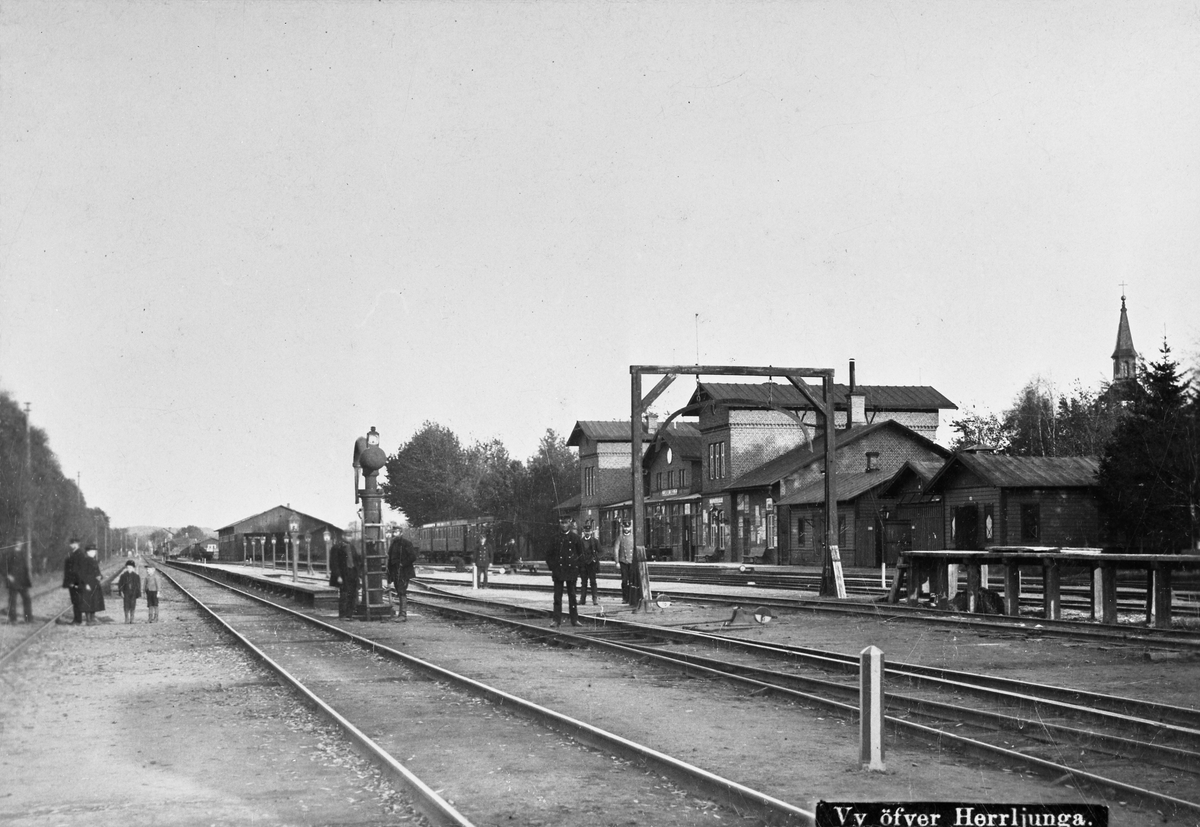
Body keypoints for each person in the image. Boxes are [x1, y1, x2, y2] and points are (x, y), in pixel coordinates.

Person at [546, 514, 583, 627]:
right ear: (559, 523)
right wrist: (554, 567)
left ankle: (574, 619)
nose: (564, 525)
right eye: (562, 522)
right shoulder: (554, 538)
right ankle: (556, 620)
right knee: (557, 597)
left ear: (570, 523)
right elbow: (548, 555)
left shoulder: (576, 538)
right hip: (559, 571)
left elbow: (581, 555)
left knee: (572, 596)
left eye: (566, 522)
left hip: (571, 571)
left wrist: (577, 569)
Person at [386, 535, 418, 621]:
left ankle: (403, 615)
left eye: (397, 532)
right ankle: (401, 614)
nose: (395, 534)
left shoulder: (406, 543)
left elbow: (413, 557)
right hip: (395, 571)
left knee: (402, 591)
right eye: (394, 532)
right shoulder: (393, 544)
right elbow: (390, 559)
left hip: (404, 571)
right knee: (399, 591)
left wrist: (403, 564)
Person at [3, 539, 34, 623]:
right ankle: (13, 619)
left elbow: (25, 567)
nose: (19, 544)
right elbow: (3, 565)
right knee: (13, 600)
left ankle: (28, 619)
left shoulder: (23, 553)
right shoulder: (9, 553)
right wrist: (8, 575)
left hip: (22, 580)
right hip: (13, 580)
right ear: (14, 543)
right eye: (17, 542)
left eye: (20, 542)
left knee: (27, 598)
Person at [328, 540, 361, 619]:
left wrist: (358, 573)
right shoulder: (336, 548)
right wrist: (338, 576)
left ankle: (349, 614)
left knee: (353, 594)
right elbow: (334, 563)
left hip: (353, 572)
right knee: (344, 594)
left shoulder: (352, 547)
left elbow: (356, 560)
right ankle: (343, 614)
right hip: (344, 574)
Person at [76, 544, 105, 625]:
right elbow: (82, 574)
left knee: (94, 601)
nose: (94, 553)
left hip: (95, 584)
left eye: (94, 551)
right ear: (87, 552)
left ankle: (92, 618)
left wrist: (100, 576)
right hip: (88, 584)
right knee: (87, 602)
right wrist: (86, 584)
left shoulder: (94, 561)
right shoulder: (84, 561)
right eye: (92, 551)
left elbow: (97, 572)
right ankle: (88, 620)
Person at [578, 522, 602, 606]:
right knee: (583, 582)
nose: (587, 533)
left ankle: (594, 599)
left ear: (591, 532)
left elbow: (601, 552)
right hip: (583, 565)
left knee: (593, 582)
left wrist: (595, 558)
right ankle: (582, 600)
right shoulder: (580, 541)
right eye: (586, 531)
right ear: (583, 532)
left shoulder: (595, 541)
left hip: (592, 564)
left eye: (588, 531)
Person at [62, 538, 85, 625]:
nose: (70, 545)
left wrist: (75, 583)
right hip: (73, 582)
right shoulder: (73, 554)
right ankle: (76, 619)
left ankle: (78, 620)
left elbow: (79, 571)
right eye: (70, 544)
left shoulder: (80, 554)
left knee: (77, 601)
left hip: (77, 582)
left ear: (77, 544)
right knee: (75, 601)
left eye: (72, 544)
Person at [613, 520, 636, 604]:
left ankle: (631, 598)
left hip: (632, 562)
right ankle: (625, 598)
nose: (626, 529)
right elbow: (616, 549)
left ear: (630, 527)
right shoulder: (620, 537)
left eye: (628, 527)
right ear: (623, 527)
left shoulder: (634, 537)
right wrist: (617, 561)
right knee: (624, 580)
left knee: (632, 580)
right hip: (623, 561)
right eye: (625, 527)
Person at [117, 559, 141, 624]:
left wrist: (138, 593)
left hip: (133, 593)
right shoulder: (123, 576)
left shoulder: (136, 576)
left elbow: (138, 585)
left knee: (133, 605)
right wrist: (121, 592)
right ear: (126, 568)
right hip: (126, 593)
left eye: (131, 567)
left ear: (133, 568)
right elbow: (120, 585)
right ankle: (126, 618)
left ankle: (132, 619)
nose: (129, 569)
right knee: (126, 606)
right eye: (128, 567)